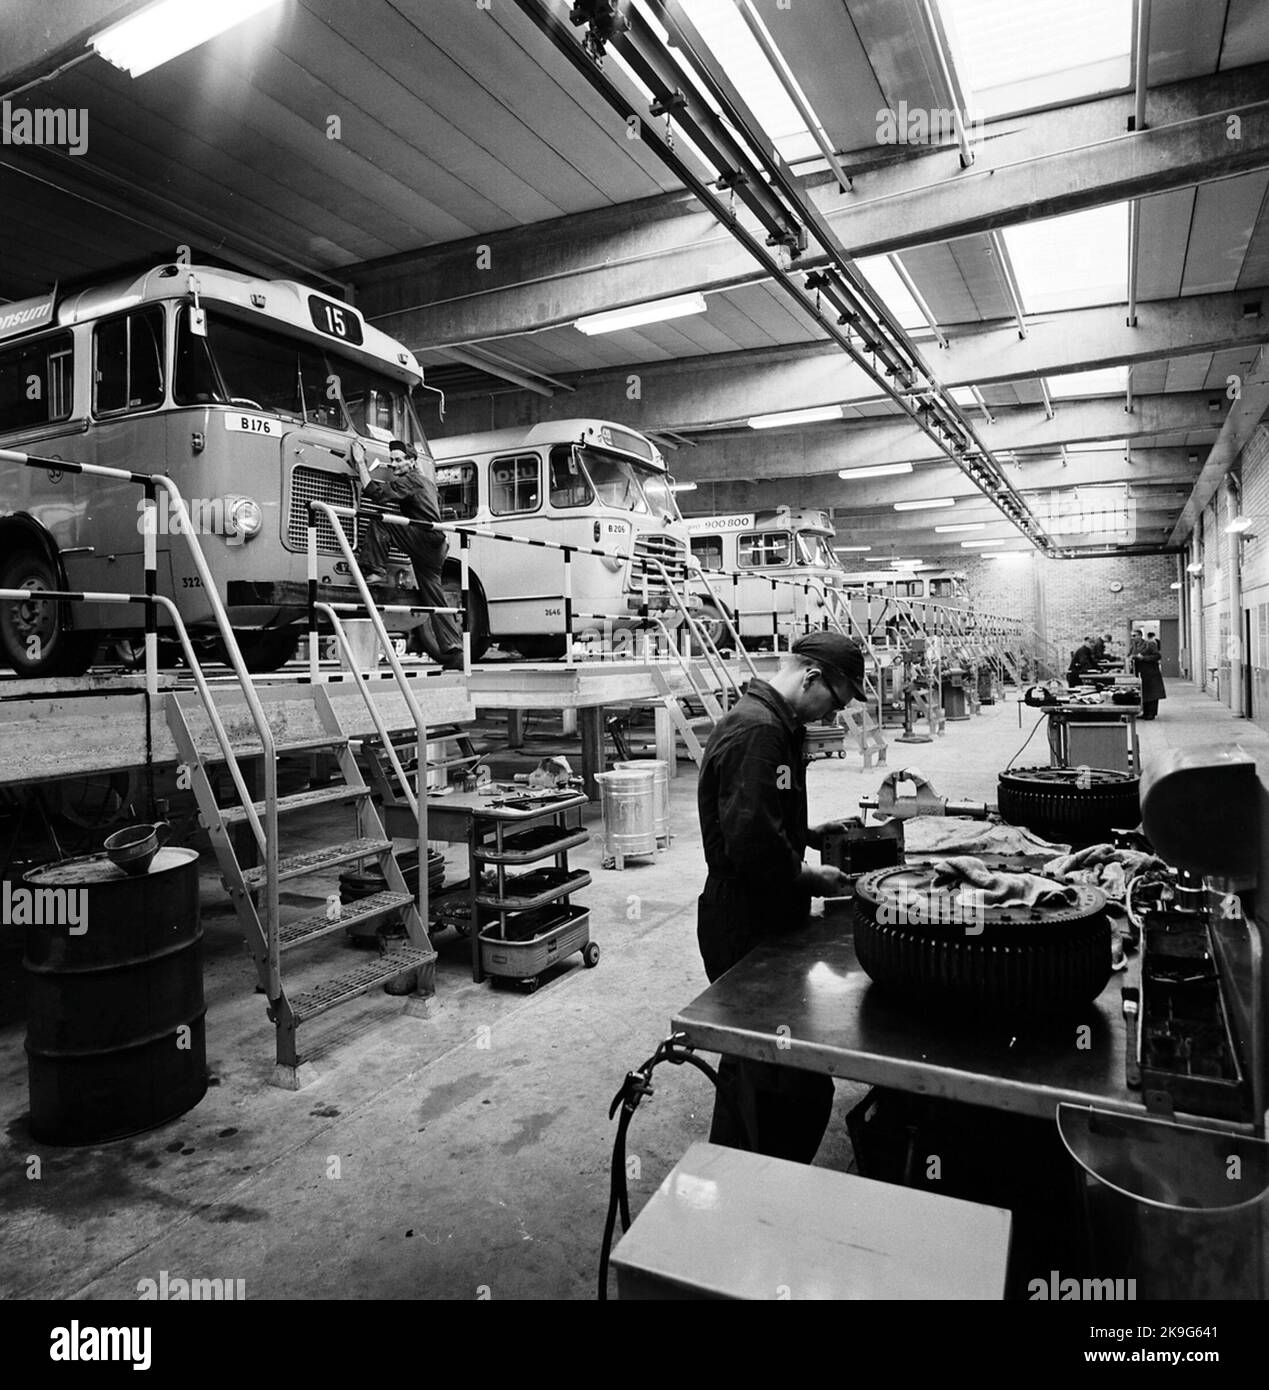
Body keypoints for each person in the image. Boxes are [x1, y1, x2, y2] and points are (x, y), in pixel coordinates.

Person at [696, 630, 866, 1162]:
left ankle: (741, 1168)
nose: (830, 715)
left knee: (756, 1061)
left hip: (762, 907)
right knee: (780, 1075)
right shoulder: (758, 732)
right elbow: (750, 848)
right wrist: (812, 878)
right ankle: (758, 1185)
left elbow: (757, 817)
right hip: (744, 918)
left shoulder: (777, 726)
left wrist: (811, 834)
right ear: (812, 678)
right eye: (834, 703)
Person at [354, 440, 464, 670]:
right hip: (437, 544)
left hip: (425, 540)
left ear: (412, 462)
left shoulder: (410, 481)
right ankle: (454, 650)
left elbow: (375, 493)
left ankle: (374, 570)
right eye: (391, 459)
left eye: (398, 460)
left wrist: (360, 463)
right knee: (435, 596)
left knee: (381, 521)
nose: (393, 464)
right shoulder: (426, 482)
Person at [1135, 629, 1166, 719]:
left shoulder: (1150, 644)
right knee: (1145, 693)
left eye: (1135, 635)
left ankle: (1151, 713)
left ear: (1140, 636)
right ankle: (1145, 712)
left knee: (1153, 693)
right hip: (1143, 673)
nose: (1133, 638)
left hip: (1151, 672)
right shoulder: (1136, 646)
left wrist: (1144, 658)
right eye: (1132, 636)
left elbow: (1157, 656)